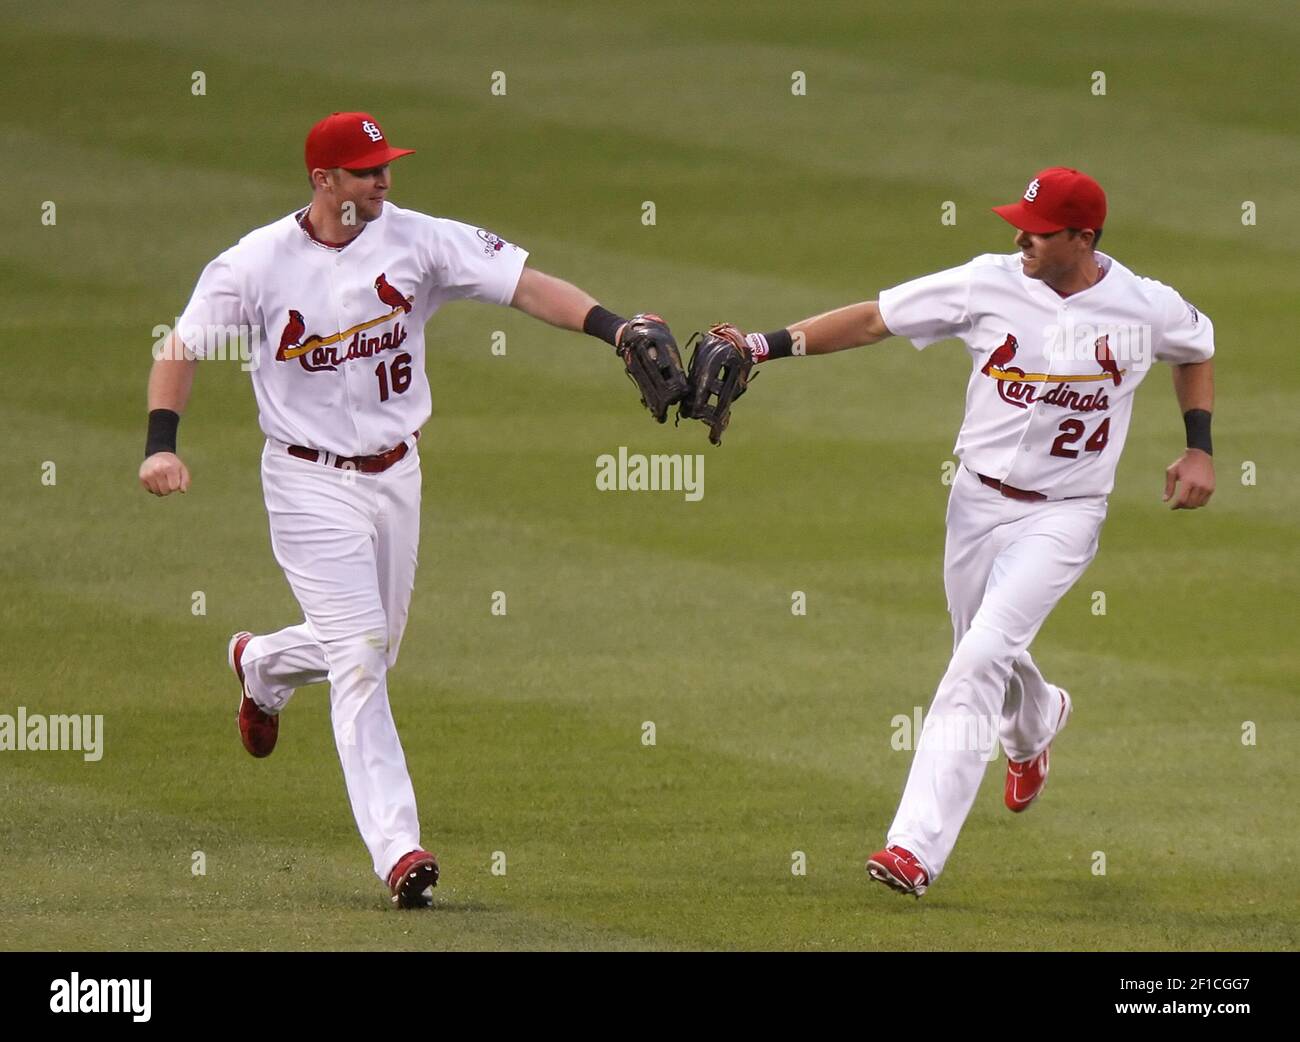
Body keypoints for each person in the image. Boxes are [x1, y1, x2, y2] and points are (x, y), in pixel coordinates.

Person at [138, 111, 660, 908]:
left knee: (375, 647)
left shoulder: (417, 239)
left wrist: (613, 327)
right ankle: (399, 850)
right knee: (358, 660)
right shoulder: (255, 264)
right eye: (366, 170)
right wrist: (161, 444)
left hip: (396, 474)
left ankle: (263, 665)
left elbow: (526, 285)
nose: (384, 180)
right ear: (323, 181)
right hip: (306, 481)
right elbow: (180, 347)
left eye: (386, 167)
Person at [721, 167, 1215, 897]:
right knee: (982, 653)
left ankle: (913, 849)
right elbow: (873, 319)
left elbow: (1197, 346)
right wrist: (762, 346)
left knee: (979, 657)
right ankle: (1036, 721)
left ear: (1083, 238)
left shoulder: (1143, 306)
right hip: (975, 504)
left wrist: (1199, 444)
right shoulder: (988, 281)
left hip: (1066, 513)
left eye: (1039, 230)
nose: (1020, 236)